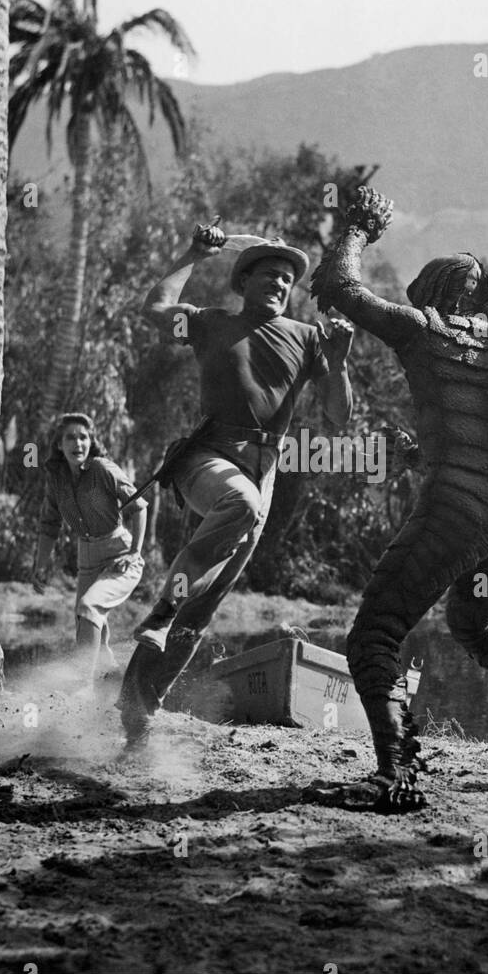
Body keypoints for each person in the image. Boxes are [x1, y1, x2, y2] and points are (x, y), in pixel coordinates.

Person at [309, 187, 488, 812]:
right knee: (473, 622)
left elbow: (336, 288)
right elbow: (486, 438)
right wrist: (422, 454)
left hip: (461, 509)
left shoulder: (422, 330)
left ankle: (397, 774)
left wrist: (357, 227)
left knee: (374, 635)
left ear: (435, 295)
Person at [119, 220, 354, 747]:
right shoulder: (210, 323)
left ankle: (137, 709)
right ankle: (158, 612)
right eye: (268, 275)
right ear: (243, 282)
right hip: (209, 456)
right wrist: (191, 255)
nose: (278, 284)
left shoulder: (308, 338)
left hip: (264, 470)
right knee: (238, 503)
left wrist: (338, 366)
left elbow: (338, 417)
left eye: (287, 280)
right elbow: (153, 313)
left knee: (203, 602)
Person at [32, 413, 147, 690]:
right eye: (70, 437)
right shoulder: (57, 479)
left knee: (89, 607)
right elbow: (49, 525)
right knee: (88, 625)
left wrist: (134, 552)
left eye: (83, 437)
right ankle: (118, 689)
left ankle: (82, 689)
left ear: (91, 441)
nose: (78, 443)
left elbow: (139, 506)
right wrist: (41, 565)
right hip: (87, 561)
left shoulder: (102, 469)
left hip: (120, 556)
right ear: (59, 444)